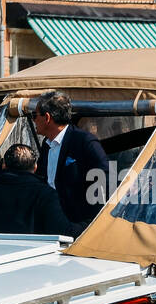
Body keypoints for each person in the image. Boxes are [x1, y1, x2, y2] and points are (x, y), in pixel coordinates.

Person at [0, 143, 82, 237]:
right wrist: (87, 224)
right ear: (35, 167)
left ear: (4, 165)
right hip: (30, 261)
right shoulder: (45, 195)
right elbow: (62, 231)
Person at [33, 91, 108, 224]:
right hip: (51, 219)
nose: (34, 120)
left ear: (47, 118)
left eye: (35, 115)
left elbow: (105, 177)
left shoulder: (84, 141)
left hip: (78, 223)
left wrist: (88, 221)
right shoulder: (46, 144)